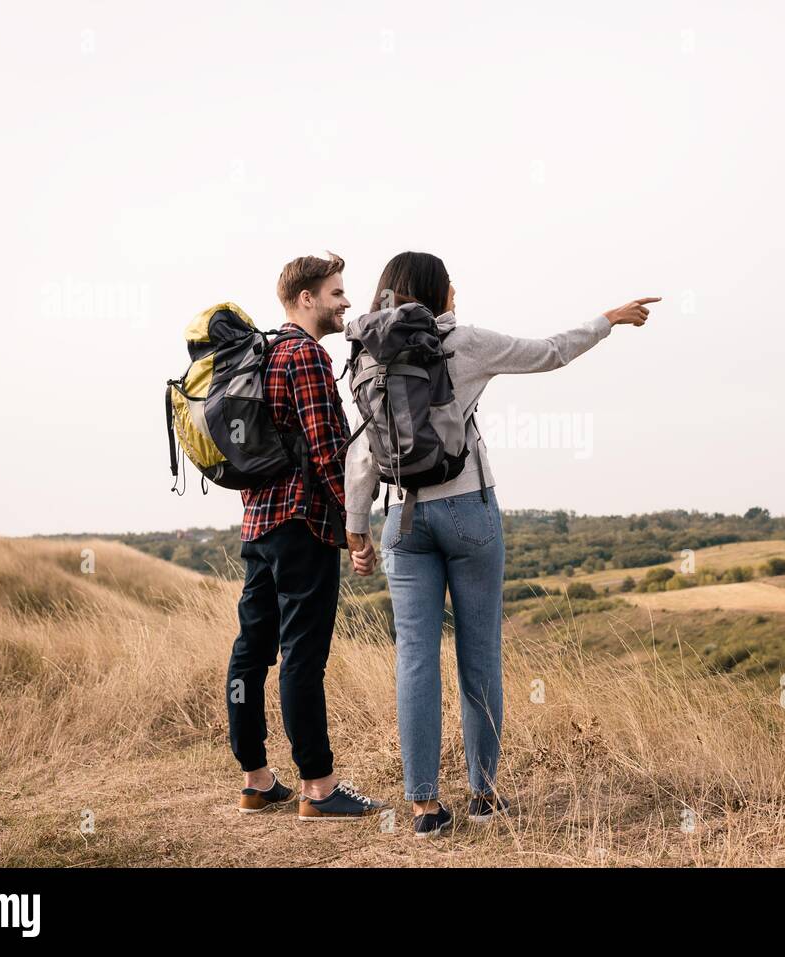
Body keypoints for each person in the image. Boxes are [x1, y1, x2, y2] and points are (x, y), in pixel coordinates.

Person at [346, 250, 655, 837]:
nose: (457, 290)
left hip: (402, 523)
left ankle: (424, 808)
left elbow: (362, 452)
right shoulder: (464, 341)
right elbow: (549, 353)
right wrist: (606, 319)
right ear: (437, 292)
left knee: (415, 658)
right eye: (450, 284)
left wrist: (356, 531)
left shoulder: (367, 350)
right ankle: (484, 794)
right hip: (468, 511)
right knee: (479, 654)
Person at [227, 253, 385, 821]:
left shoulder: (261, 354)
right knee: (301, 659)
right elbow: (327, 453)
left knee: (250, 653)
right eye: (337, 292)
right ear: (306, 298)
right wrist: (355, 530)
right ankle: (319, 789)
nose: (346, 302)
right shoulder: (307, 356)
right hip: (302, 526)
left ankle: (257, 781)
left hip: (257, 526)